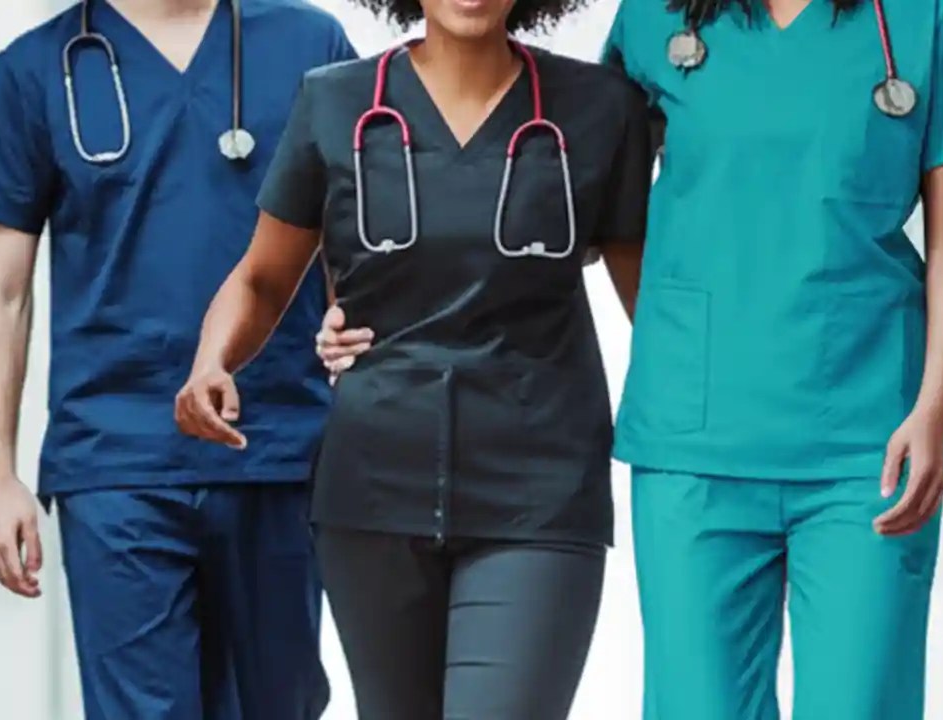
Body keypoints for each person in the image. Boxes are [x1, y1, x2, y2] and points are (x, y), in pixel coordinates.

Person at [323, 0, 943, 718]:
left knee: (861, 705)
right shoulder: (659, 18)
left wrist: (935, 409)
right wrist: (380, 303)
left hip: (867, 439)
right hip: (694, 440)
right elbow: (564, 202)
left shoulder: (924, 15)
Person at [172, 0, 653, 714]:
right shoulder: (333, 103)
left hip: (539, 490)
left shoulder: (596, 109)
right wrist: (212, 361)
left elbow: (649, 296)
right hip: (372, 490)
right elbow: (262, 277)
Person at [0, 0, 355, 717]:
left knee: (279, 706)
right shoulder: (32, 70)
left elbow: (354, 234)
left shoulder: (309, 42)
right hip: (115, 462)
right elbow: (1, 291)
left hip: (281, 450)